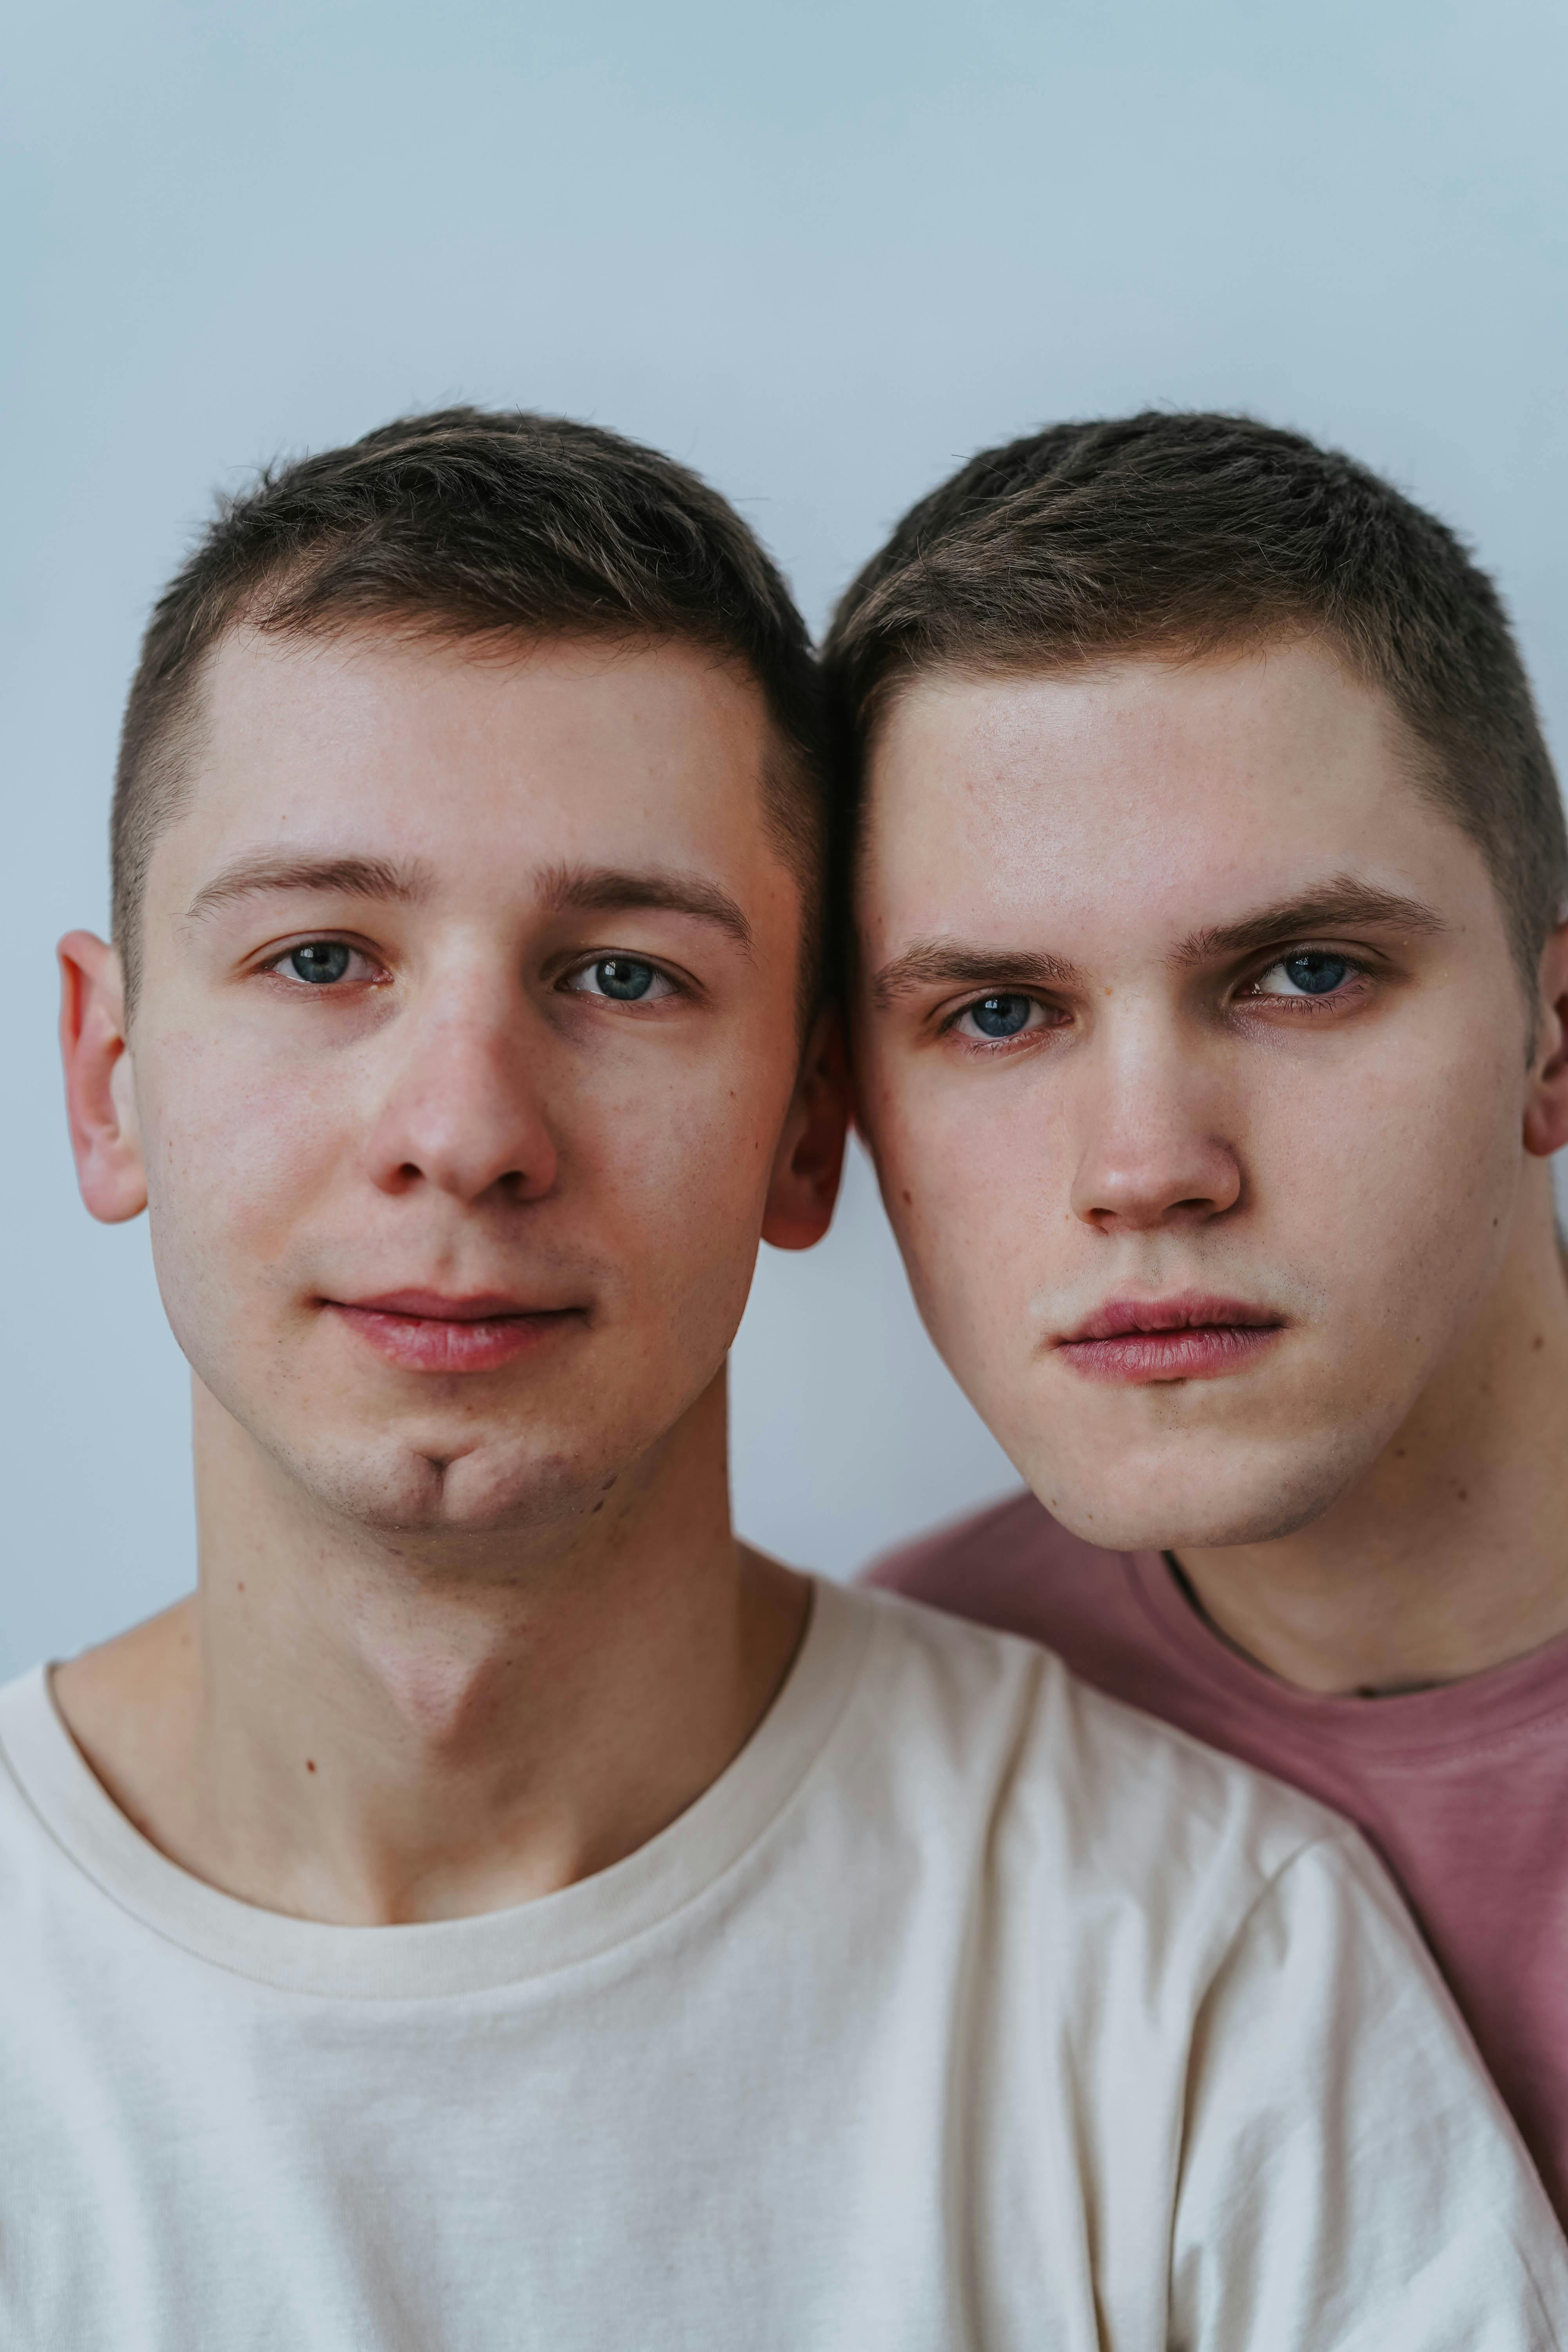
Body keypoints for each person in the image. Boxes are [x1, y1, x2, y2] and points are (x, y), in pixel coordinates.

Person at [8, 407, 1561, 2352]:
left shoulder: (1191, 1937)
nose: (463, 1131)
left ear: (801, 1127)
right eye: (321, 957)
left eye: (623, 976)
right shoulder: (1046, 1739)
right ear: (105, 1074)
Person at [827, 410, 1568, 2222]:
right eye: (998, 1014)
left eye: (1304, 974)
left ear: (1554, 1033)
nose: (1149, 1166)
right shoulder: (902, 1754)